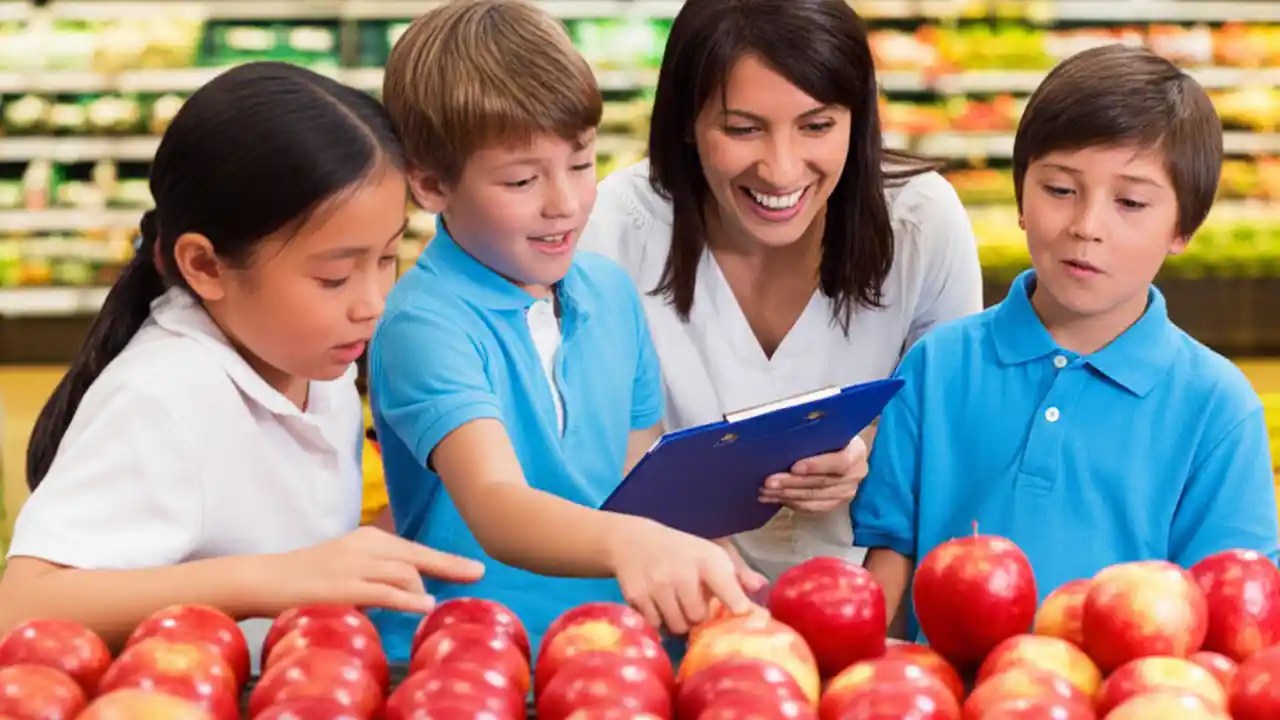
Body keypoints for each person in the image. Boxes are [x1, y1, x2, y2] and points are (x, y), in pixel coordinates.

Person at [0, 62, 483, 648]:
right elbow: (22, 607)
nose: (374, 302)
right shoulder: (163, 396)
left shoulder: (312, 363)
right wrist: (272, 579)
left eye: (386, 258)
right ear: (204, 266)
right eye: (334, 277)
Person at [368, 0, 762, 664]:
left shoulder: (609, 293)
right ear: (431, 184)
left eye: (581, 164)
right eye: (523, 179)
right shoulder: (424, 322)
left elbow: (641, 483)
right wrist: (629, 542)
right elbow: (495, 502)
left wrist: (703, 551)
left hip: (616, 652)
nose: (566, 202)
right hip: (468, 661)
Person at [851, 44, 1279, 640]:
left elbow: (1232, 612)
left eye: (1130, 202)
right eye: (1060, 189)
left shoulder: (1217, 406)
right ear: (1020, 194)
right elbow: (890, 555)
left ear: (1184, 226)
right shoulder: (937, 366)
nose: (1087, 226)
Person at [578, 0, 983, 581]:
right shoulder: (618, 227)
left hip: (873, 587)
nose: (782, 169)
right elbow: (595, 443)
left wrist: (868, 449)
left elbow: (948, 426)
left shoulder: (920, 220)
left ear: (857, 119)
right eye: (743, 129)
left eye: (817, 126)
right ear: (686, 125)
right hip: (671, 585)